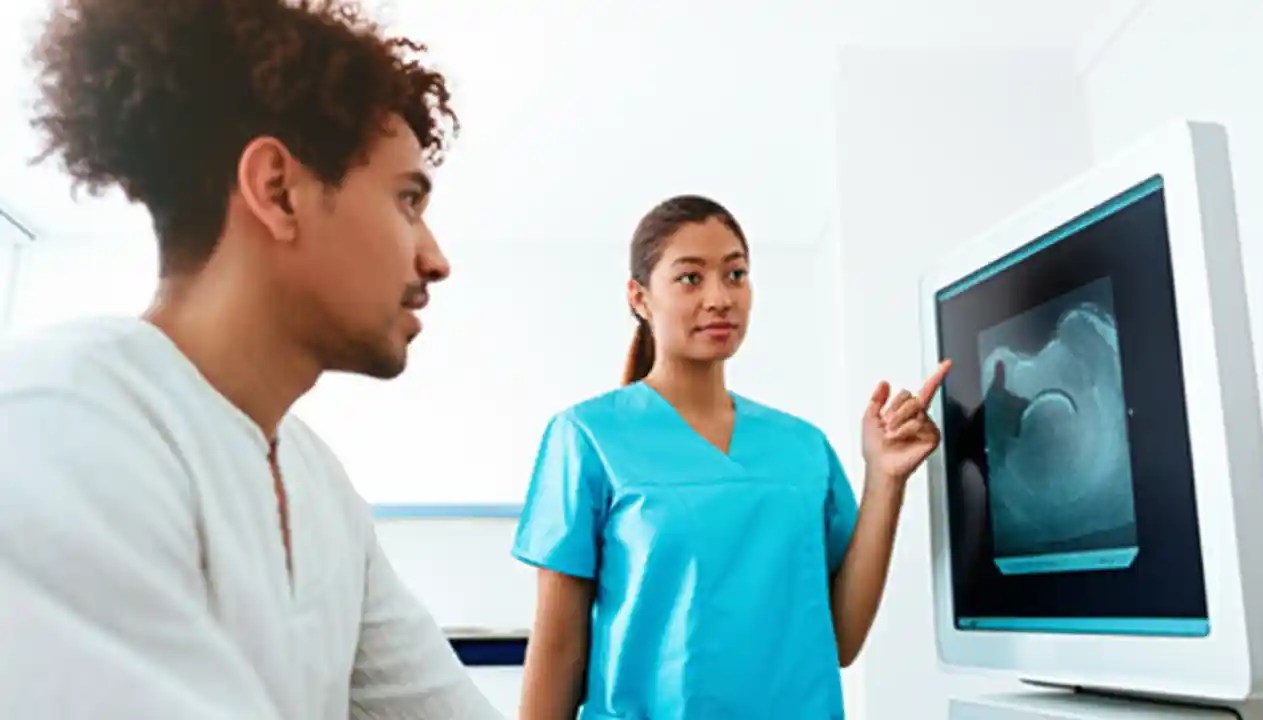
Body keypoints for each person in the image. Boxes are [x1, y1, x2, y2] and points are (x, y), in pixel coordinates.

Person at [0, 1, 503, 718]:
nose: (435, 257)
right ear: (277, 191)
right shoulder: (57, 422)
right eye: (407, 201)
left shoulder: (318, 484)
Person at [511, 194, 952, 719]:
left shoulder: (803, 448)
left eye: (736, 274)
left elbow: (841, 641)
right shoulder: (587, 436)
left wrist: (885, 478)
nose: (720, 297)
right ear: (639, 297)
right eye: (691, 278)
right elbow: (558, 648)